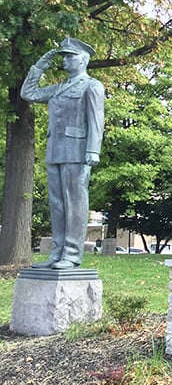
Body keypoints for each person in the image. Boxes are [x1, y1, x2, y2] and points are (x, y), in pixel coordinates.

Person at [21, 38, 105, 269]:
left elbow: (97, 120)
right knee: (57, 204)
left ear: (83, 59)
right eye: (64, 56)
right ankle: (56, 254)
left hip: (77, 151)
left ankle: (72, 254)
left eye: (70, 56)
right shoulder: (59, 87)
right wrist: (40, 66)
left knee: (75, 203)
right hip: (55, 150)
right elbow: (29, 93)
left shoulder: (92, 86)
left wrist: (93, 150)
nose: (65, 61)